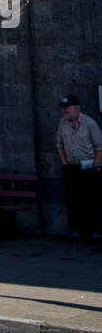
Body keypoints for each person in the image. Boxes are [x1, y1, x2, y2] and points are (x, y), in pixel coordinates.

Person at [56, 94, 102, 239]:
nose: (64, 111)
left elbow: (99, 148)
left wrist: (95, 166)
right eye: (64, 108)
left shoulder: (90, 123)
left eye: (67, 108)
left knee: (92, 200)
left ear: (76, 108)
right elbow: (59, 145)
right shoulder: (62, 123)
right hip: (72, 167)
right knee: (74, 200)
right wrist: (64, 162)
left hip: (88, 167)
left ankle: (95, 231)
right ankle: (76, 231)